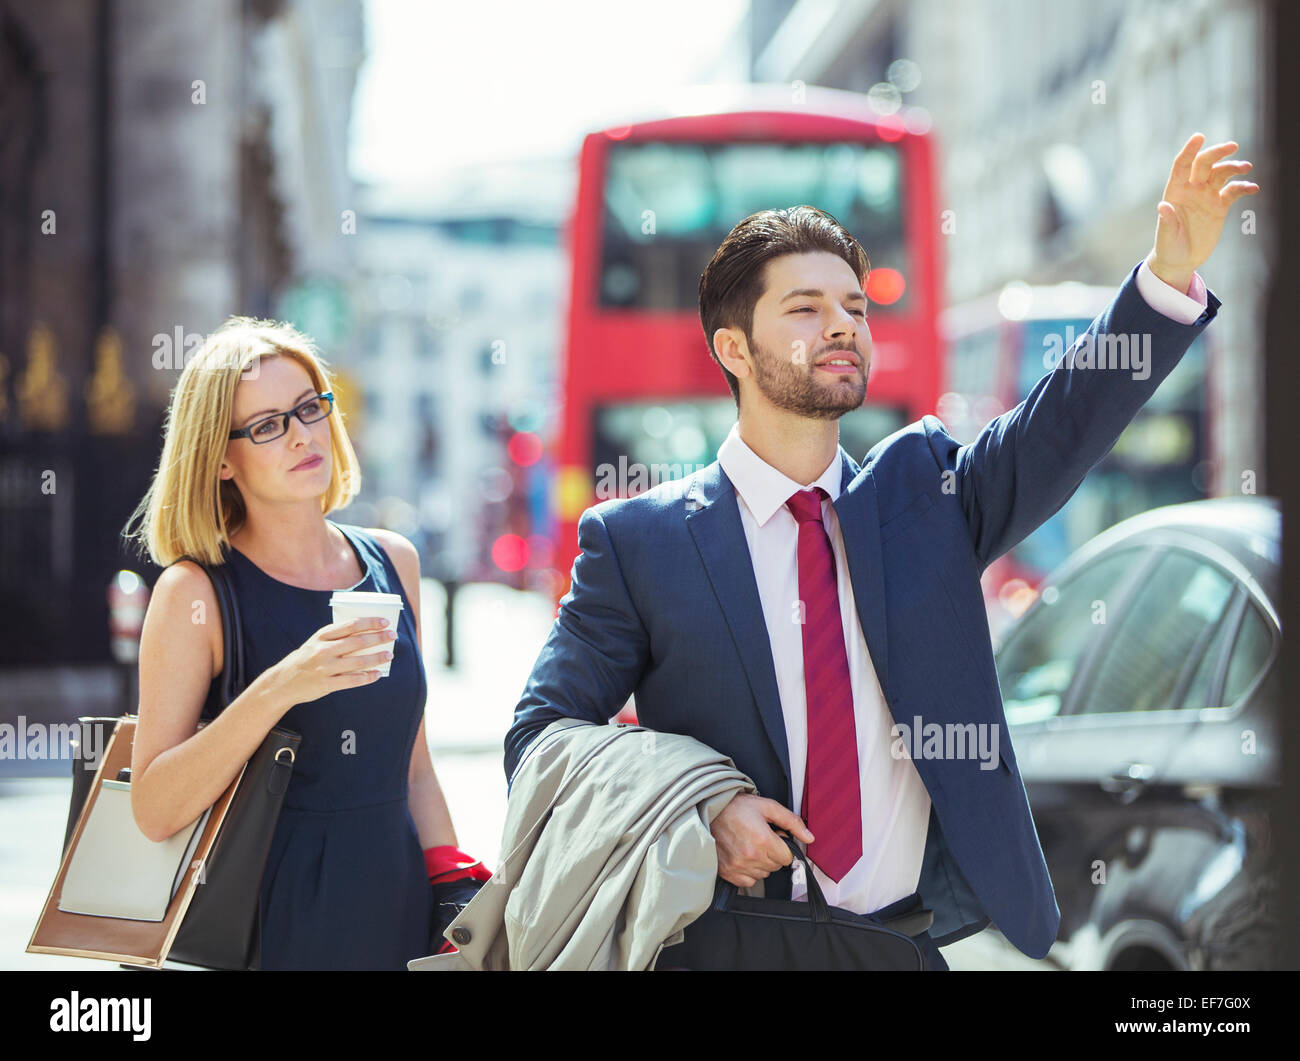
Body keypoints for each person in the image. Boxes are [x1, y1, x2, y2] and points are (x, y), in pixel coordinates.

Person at [506, 133, 1257, 970]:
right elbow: (541, 737)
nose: (843, 326)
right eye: (805, 308)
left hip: (900, 947)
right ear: (733, 349)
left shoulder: (926, 500)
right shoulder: (639, 542)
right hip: (716, 945)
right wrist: (700, 806)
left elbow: (1062, 424)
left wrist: (1160, 284)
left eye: (856, 308)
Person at [123, 317, 486, 970]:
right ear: (221, 457)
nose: (300, 434)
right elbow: (153, 806)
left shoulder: (394, 562)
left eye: (307, 408)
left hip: (394, 910)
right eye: (266, 424)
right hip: (265, 927)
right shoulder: (195, 592)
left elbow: (415, 769)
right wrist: (283, 684)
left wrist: (453, 899)